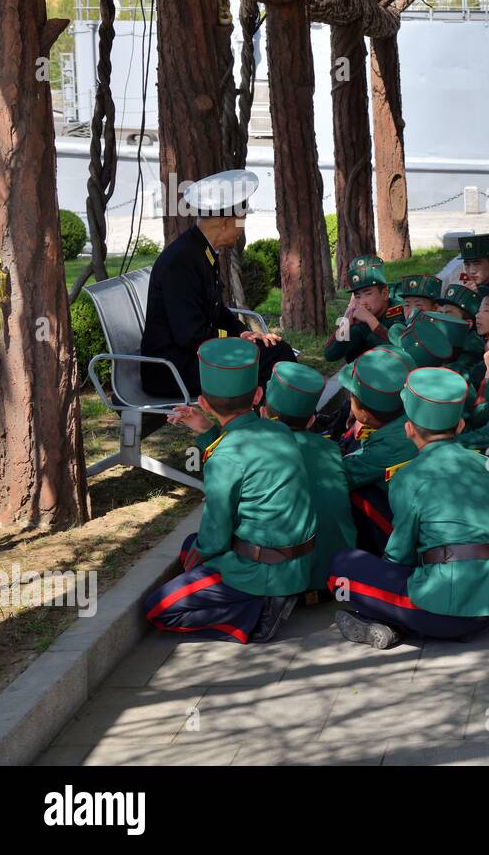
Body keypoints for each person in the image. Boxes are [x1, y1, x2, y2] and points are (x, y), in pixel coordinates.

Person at [144, 338, 316, 643]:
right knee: (190, 545)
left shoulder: (225, 458)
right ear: (258, 395)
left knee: (159, 608)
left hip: (260, 571)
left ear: (205, 403)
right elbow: (245, 452)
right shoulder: (279, 430)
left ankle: (253, 614)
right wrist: (207, 431)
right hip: (295, 561)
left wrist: (206, 558)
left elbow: (214, 538)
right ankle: (256, 598)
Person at [327, 367, 489, 650]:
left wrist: (384, 578)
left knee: (340, 569)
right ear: (460, 426)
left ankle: (386, 618)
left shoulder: (408, 477)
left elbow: (399, 555)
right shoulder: (486, 464)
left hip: (442, 611)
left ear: (409, 428)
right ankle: (395, 620)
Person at [140, 170, 294, 397]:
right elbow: (189, 334)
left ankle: (273, 422)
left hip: (192, 358)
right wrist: (234, 341)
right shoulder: (182, 260)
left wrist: (243, 334)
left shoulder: (200, 251)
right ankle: (262, 425)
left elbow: (216, 309)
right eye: (241, 221)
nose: (241, 229)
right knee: (274, 356)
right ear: (225, 222)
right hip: (173, 370)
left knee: (275, 351)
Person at [260, 361, 356, 599]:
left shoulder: (257, 451)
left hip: (285, 582)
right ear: (312, 421)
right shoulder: (330, 449)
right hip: (336, 578)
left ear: (263, 413)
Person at [338, 347, 418, 553]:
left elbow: (341, 477)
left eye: (351, 396)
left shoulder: (387, 447)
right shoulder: (413, 416)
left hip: (404, 534)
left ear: (364, 414)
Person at [323, 257, 405, 364]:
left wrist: (370, 320)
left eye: (368, 294)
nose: (362, 302)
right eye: (357, 296)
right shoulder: (357, 318)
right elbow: (330, 355)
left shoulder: (400, 312)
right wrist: (345, 321)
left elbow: (399, 355)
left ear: (384, 294)